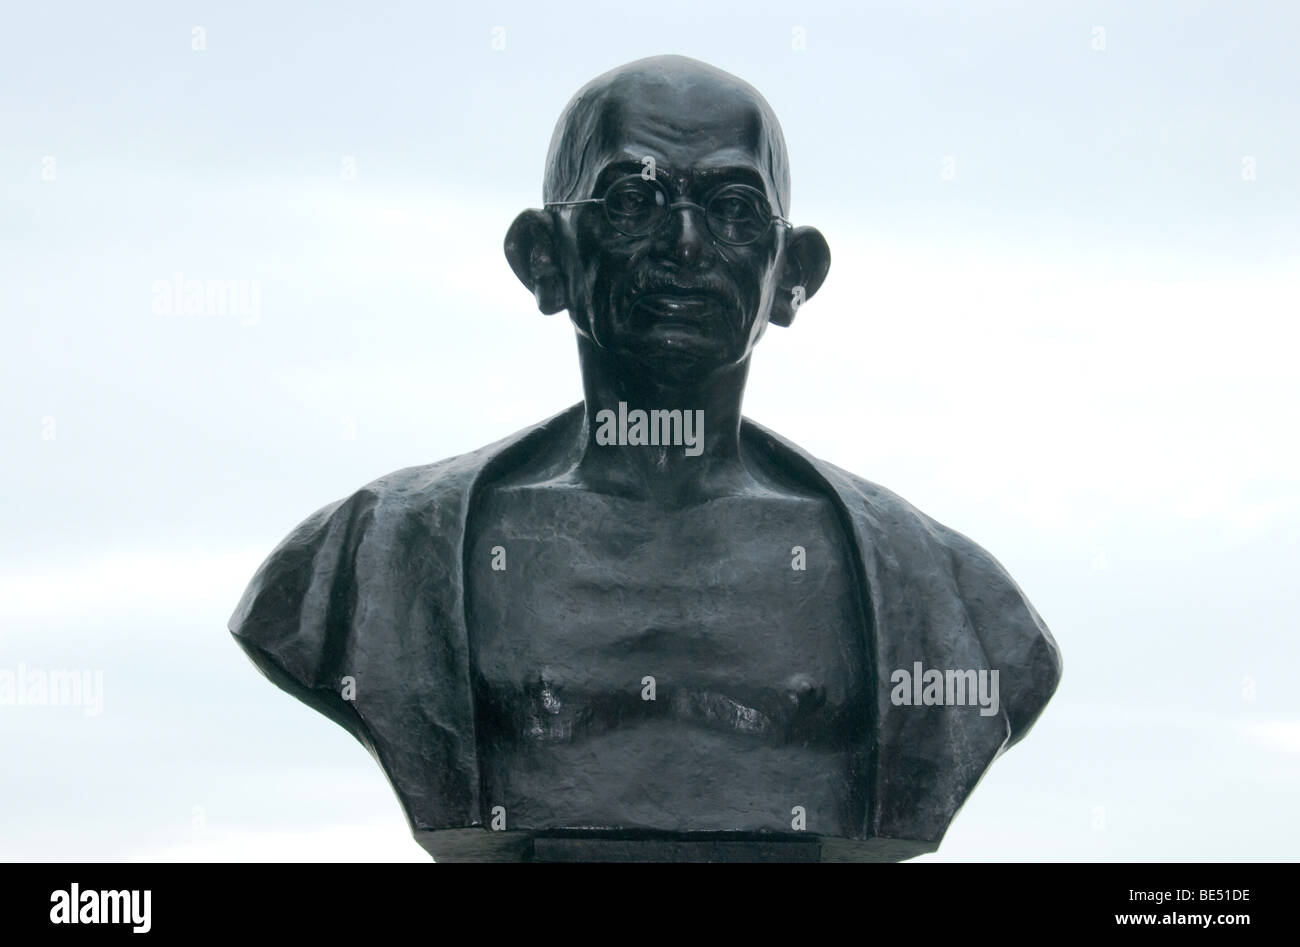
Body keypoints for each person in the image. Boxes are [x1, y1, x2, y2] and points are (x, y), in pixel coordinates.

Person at [230, 55, 1062, 862]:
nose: (688, 246)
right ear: (544, 258)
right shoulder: (377, 554)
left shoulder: (944, 595)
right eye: (634, 201)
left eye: (735, 208)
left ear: (791, 276)